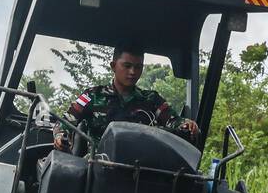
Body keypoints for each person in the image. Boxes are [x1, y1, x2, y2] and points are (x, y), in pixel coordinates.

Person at [55, 47, 201, 152]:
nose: (133, 72)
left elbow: (173, 120)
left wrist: (186, 124)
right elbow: (65, 122)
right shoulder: (92, 95)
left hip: (140, 170)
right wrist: (60, 136)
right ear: (113, 66)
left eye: (138, 67)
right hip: (97, 168)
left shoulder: (151, 99)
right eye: (127, 66)